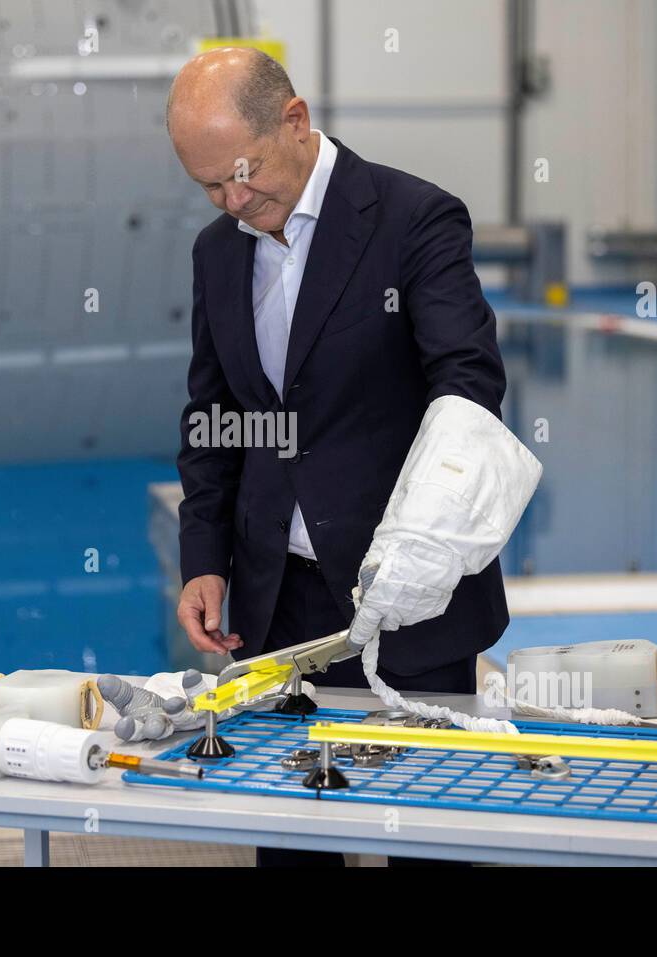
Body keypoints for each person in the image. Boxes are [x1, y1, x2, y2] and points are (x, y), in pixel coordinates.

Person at [166, 47, 513, 866]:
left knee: (429, 840)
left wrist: (420, 549)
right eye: (210, 187)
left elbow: (466, 389)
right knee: (291, 844)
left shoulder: (414, 219)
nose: (233, 201)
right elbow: (215, 416)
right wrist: (204, 555)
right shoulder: (219, 251)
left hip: (407, 596)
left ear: (295, 120)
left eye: (242, 175)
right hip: (274, 605)